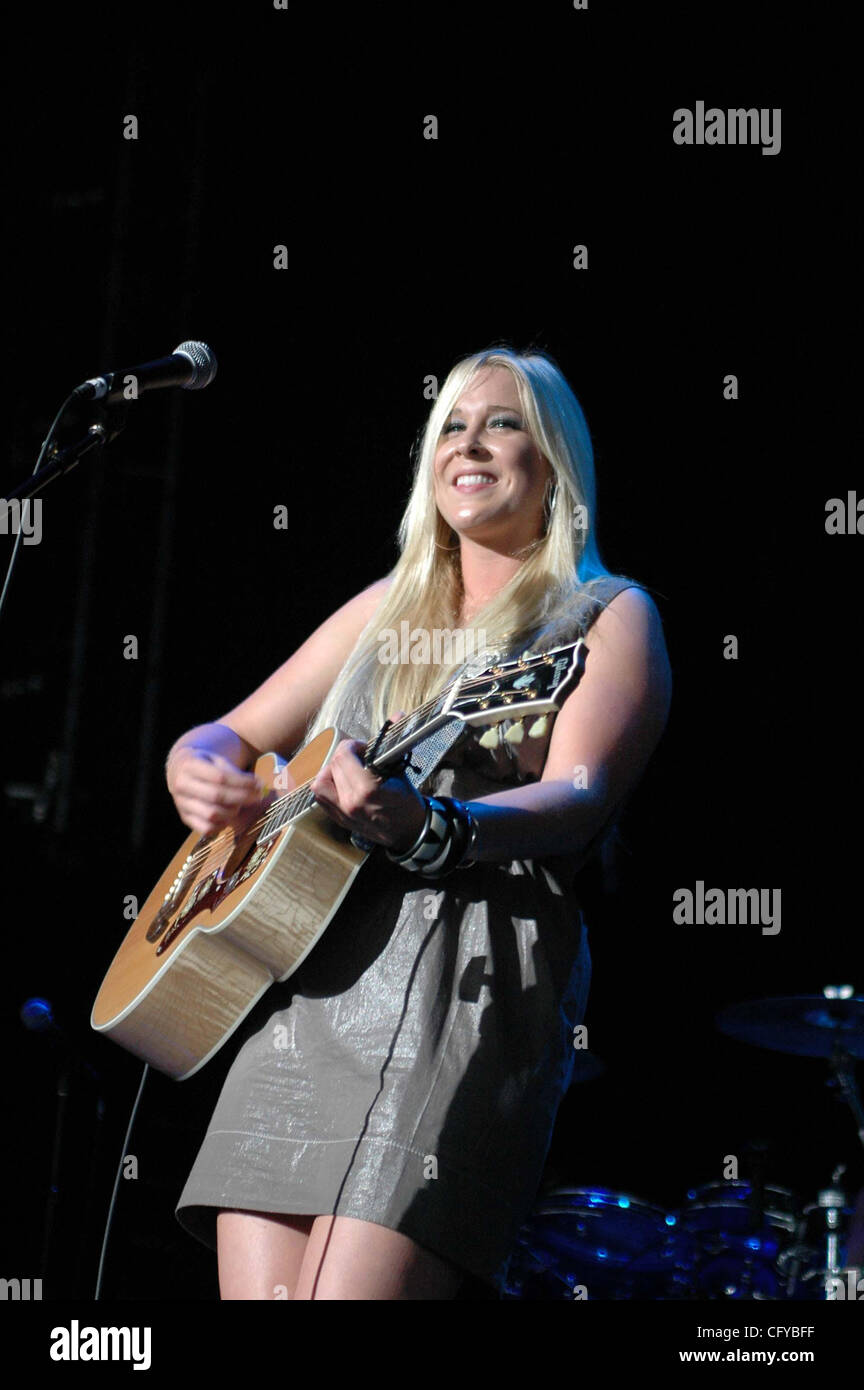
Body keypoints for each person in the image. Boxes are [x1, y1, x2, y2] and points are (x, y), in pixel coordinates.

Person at [168, 345, 672, 1299]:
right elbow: (223, 737)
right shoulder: (382, 610)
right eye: (450, 425)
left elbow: (578, 796)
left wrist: (434, 822)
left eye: (503, 422)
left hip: (466, 981)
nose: (469, 443)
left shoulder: (608, 616)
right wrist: (195, 771)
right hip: (311, 978)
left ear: (556, 462)